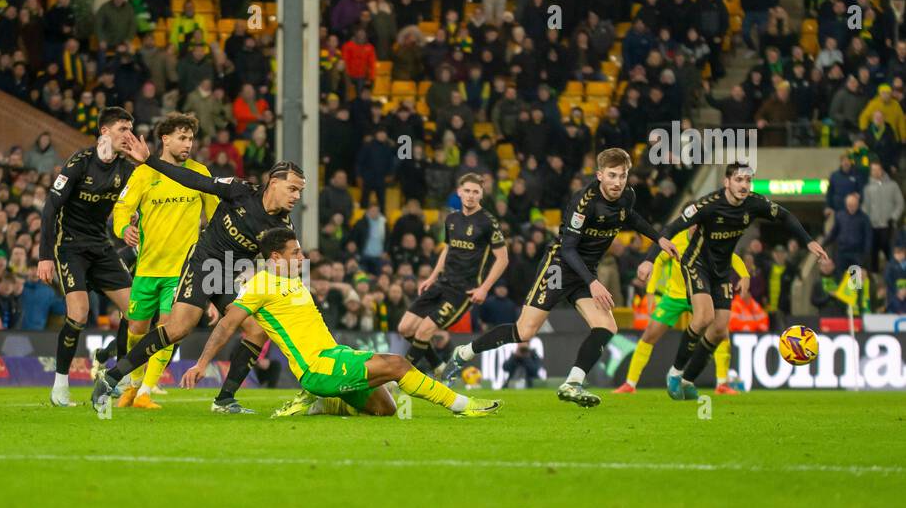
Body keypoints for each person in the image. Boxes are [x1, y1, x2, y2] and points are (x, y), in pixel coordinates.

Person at [179, 228, 501, 419]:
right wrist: (201, 364)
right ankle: (464, 406)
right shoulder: (259, 285)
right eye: (295, 253)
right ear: (275, 258)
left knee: (384, 409)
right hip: (320, 367)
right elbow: (227, 324)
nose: (301, 258)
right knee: (399, 365)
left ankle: (319, 402)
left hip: (334, 357)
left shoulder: (294, 280)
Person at [443, 148, 677, 407]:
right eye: (612, 175)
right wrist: (593, 282)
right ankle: (463, 352)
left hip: (585, 272)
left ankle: (572, 384)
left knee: (607, 327)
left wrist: (659, 238)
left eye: (622, 175)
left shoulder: (627, 195)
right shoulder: (583, 202)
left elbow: (629, 216)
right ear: (599, 175)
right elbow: (567, 248)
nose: (618, 182)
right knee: (524, 331)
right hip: (560, 266)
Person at [91, 134, 305, 414]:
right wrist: (152, 161)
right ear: (274, 183)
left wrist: (299, 296)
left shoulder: (281, 227)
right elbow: (195, 181)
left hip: (229, 275)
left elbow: (287, 267)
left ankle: (224, 399)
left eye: (300, 192)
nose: (297, 197)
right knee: (178, 328)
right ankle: (111, 378)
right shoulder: (239, 190)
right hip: (204, 262)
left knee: (256, 330)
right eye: (292, 189)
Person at [648, 163, 830, 400]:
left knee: (719, 330)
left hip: (722, 271)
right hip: (696, 263)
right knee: (704, 317)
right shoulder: (707, 204)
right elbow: (672, 227)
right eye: (739, 180)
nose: (744, 185)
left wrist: (808, 241)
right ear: (727, 182)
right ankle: (675, 372)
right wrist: (650, 260)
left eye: (748, 180)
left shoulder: (755, 203)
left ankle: (687, 380)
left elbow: (785, 216)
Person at [105, 113, 217, 409]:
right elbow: (121, 208)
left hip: (181, 271)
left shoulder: (200, 173)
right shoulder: (144, 173)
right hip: (147, 268)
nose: (188, 144)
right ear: (165, 139)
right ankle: (132, 385)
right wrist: (123, 229)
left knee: (167, 328)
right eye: (182, 138)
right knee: (137, 329)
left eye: (191, 138)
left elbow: (217, 217)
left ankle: (145, 392)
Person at [37, 107, 141, 407]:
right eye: (123, 128)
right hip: (69, 246)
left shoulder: (128, 169)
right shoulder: (80, 163)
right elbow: (50, 208)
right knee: (79, 313)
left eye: (131, 129)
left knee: (136, 313)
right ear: (104, 132)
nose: (129, 135)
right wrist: (45, 256)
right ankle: (60, 386)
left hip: (101, 245)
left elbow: (141, 199)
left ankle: (115, 374)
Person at [615, 229, 748, 395]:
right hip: (674, 296)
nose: (697, 227)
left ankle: (722, 384)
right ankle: (630, 384)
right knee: (650, 334)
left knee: (720, 333)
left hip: (700, 295)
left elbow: (731, 257)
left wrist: (744, 275)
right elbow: (659, 261)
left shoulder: (710, 239)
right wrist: (650, 292)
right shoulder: (676, 239)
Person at [399, 174, 508, 373]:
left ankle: (398, 378)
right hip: (442, 283)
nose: (471, 196)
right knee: (405, 328)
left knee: (424, 330)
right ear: (459, 192)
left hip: (463, 291)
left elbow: (503, 259)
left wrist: (484, 288)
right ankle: (439, 366)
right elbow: (448, 250)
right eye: (467, 191)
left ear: (481, 194)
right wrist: (432, 277)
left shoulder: (488, 222)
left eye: (476, 192)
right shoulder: (451, 219)